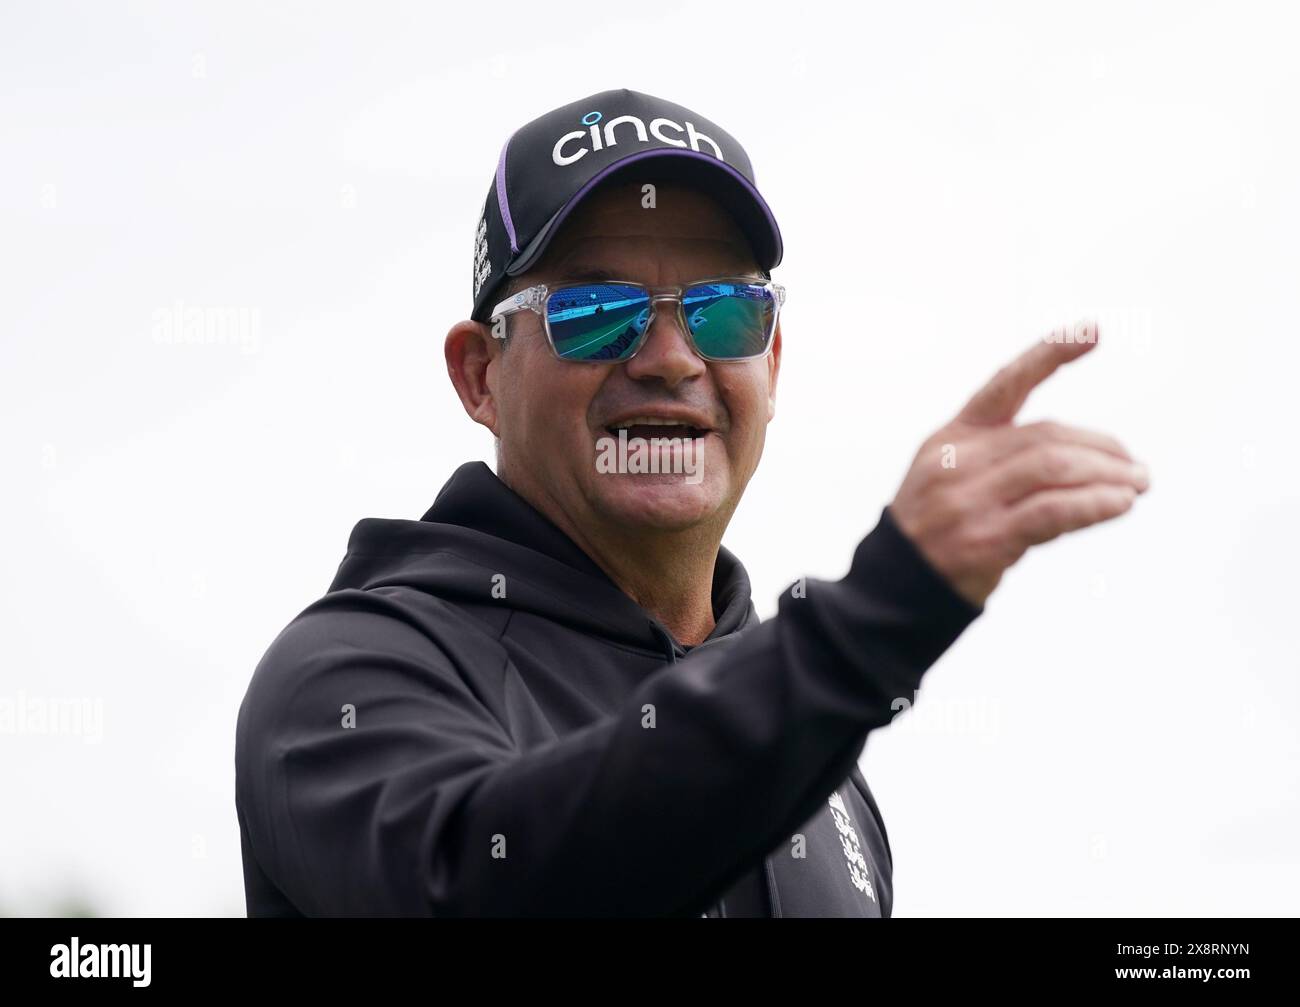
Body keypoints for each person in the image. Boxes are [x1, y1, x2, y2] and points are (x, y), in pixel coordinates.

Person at [234, 88, 1150, 917]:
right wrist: (873, 623)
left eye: (723, 313)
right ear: (481, 376)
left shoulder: (822, 761)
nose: (672, 357)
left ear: (773, 362)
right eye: (596, 310)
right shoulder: (343, 676)